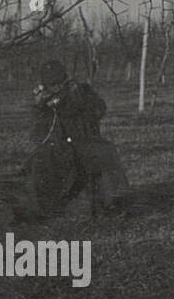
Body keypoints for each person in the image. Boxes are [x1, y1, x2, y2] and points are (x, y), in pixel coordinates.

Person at [27, 59, 128, 216]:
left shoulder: (81, 91)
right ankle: (48, 206)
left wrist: (77, 97)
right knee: (40, 162)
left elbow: (99, 110)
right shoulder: (44, 103)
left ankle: (109, 202)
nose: (56, 87)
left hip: (85, 142)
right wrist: (40, 106)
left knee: (104, 154)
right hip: (57, 148)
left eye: (58, 82)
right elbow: (37, 135)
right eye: (51, 84)